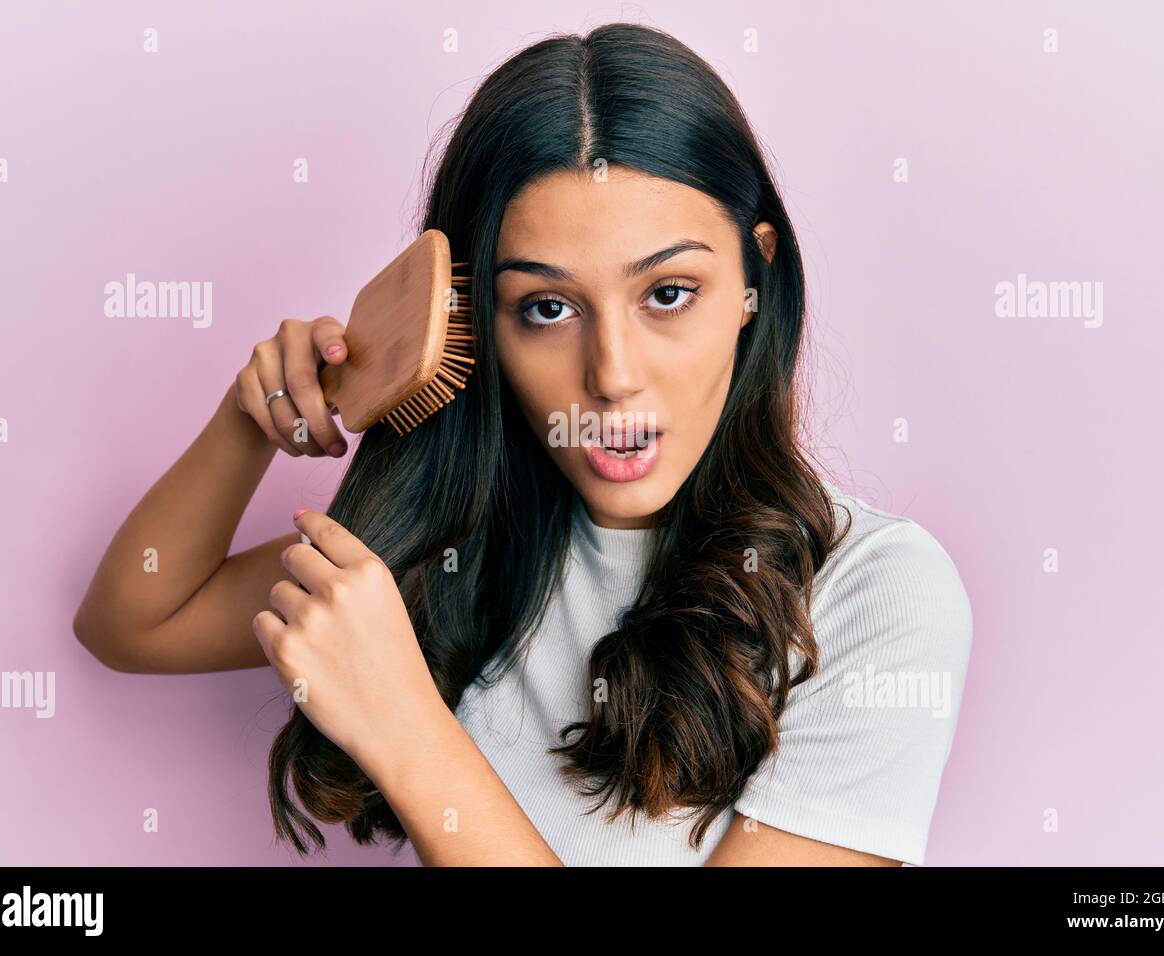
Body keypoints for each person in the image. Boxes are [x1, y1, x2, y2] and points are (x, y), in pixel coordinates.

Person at [73, 22, 972, 867]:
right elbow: (133, 620)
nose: (613, 375)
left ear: (753, 279)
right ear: (476, 325)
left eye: (668, 293)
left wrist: (407, 727)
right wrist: (250, 419)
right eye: (548, 308)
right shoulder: (461, 548)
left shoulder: (874, 594)